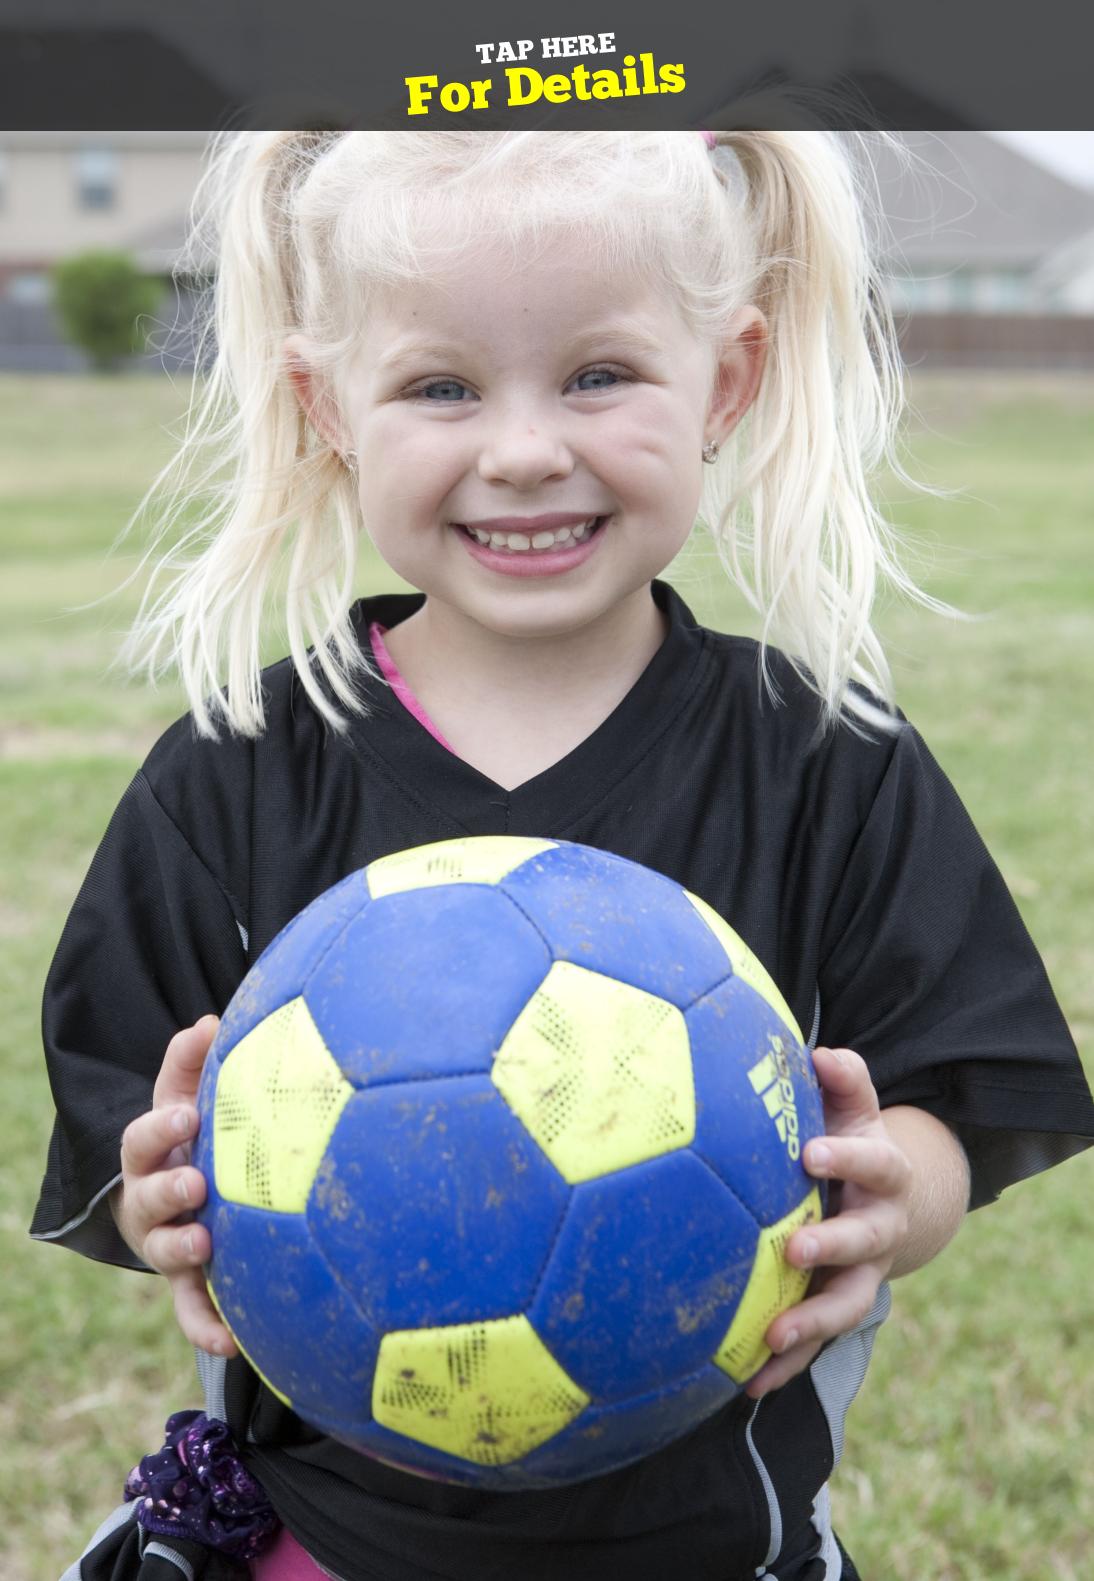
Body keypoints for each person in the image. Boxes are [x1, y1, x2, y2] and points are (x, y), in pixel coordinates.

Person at [33, 129, 1094, 1581]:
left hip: (704, 1542)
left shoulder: (822, 758)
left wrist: (894, 1192)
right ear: (327, 407)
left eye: (598, 374)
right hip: (324, 1537)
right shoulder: (231, 770)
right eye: (439, 386)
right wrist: (163, 1191)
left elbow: (952, 1094)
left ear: (724, 380)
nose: (525, 448)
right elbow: (130, 1122)